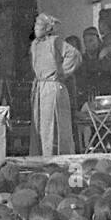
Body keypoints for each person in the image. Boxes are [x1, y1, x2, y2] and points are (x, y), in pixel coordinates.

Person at [28, 12, 82, 157]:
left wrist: (61, 72)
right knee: (39, 126)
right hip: (40, 88)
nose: (36, 27)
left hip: (52, 88)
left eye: (39, 25)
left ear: (47, 28)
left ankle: (55, 159)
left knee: (52, 125)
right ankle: (40, 158)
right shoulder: (34, 45)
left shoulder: (55, 41)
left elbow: (74, 55)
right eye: (35, 24)